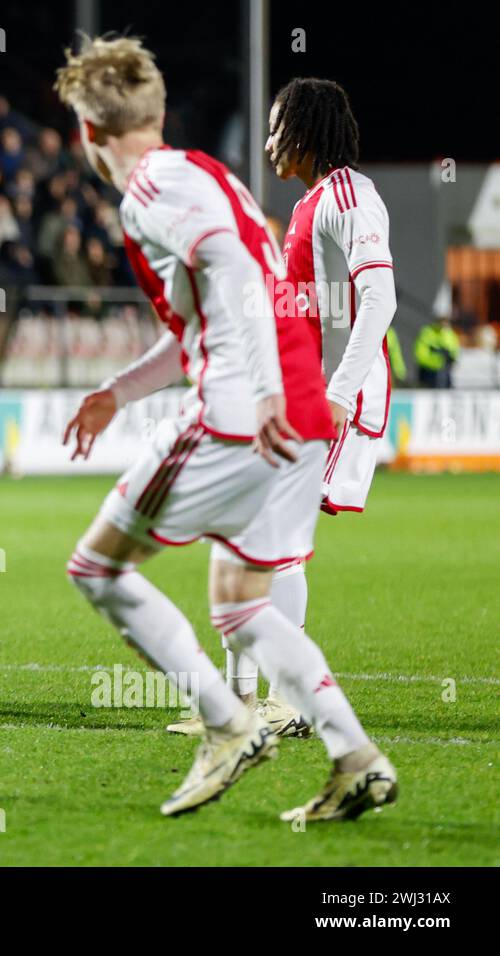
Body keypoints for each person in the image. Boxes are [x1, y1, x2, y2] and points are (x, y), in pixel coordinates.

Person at [55, 37, 396, 820]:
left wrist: (270, 390)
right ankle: (355, 758)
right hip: (295, 414)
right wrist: (118, 389)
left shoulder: (148, 189)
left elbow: (237, 279)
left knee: (95, 567)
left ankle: (228, 724)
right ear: (160, 111)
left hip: (244, 411)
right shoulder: (210, 177)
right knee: (244, 598)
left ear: (88, 133)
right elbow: (205, 314)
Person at [171, 78, 399, 738]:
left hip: (334, 399)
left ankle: (288, 702)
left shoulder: (350, 197)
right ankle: (238, 706)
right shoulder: (307, 208)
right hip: (297, 395)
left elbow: (378, 302)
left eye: (276, 128)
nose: (267, 142)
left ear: (305, 131)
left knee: (277, 544)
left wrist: (337, 393)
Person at [415, 317, 460, 387]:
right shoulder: (427, 332)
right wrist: (437, 360)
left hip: (445, 373)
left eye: (446, 320)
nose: (444, 323)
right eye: (441, 320)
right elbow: (420, 355)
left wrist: (450, 358)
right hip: (429, 373)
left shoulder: (450, 333)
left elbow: (454, 351)